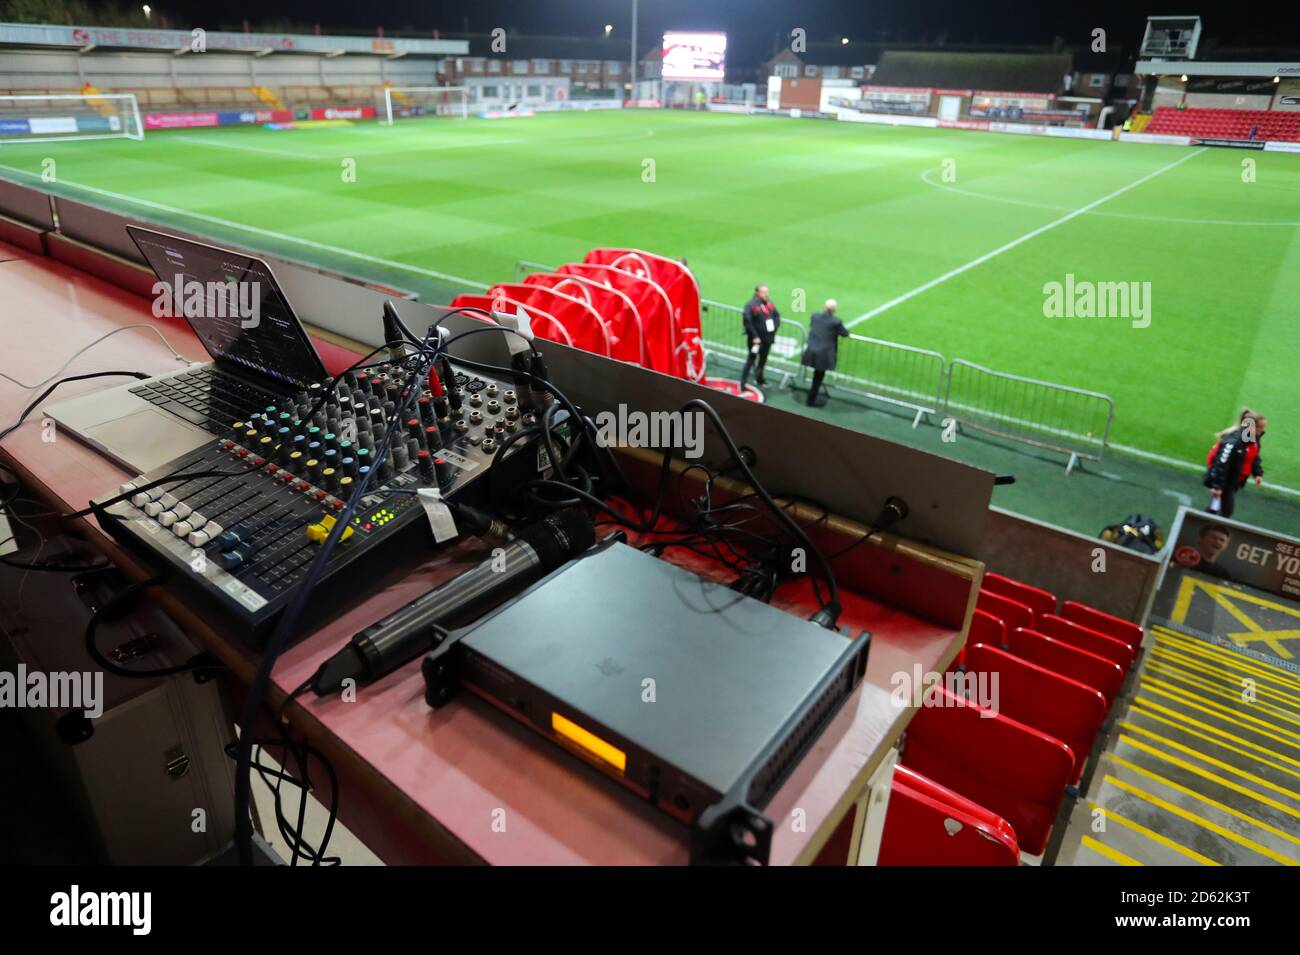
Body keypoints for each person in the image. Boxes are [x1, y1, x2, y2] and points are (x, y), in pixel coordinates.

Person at [1204, 409, 1266, 518]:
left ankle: (1206, 523)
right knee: (1225, 511)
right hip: (1225, 481)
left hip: (1235, 480)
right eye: (1259, 427)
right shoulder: (1235, 442)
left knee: (1215, 508)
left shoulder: (1253, 439)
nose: (1262, 430)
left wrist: (1257, 473)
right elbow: (1222, 463)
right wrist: (1218, 486)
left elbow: (1254, 455)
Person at [801, 299, 848, 407]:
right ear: (834, 309)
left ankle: (811, 398)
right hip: (823, 354)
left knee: (816, 377)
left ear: (824, 307)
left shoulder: (814, 316)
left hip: (811, 350)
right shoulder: (836, 321)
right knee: (818, 377)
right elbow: (845, 333)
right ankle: (810, 400)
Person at [740, 284, 780, 390]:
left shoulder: (769, 303)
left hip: (767, 339)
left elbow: (776, 315)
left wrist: (774, 328)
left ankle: (760, 379)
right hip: (756, 341)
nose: (766, 294)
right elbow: (747, 322)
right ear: (758, 292)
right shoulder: (750, 305)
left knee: (763, 360)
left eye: (767, 292)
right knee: (751, 361)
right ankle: (742, 383)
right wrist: (755, 336)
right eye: (764, 292)